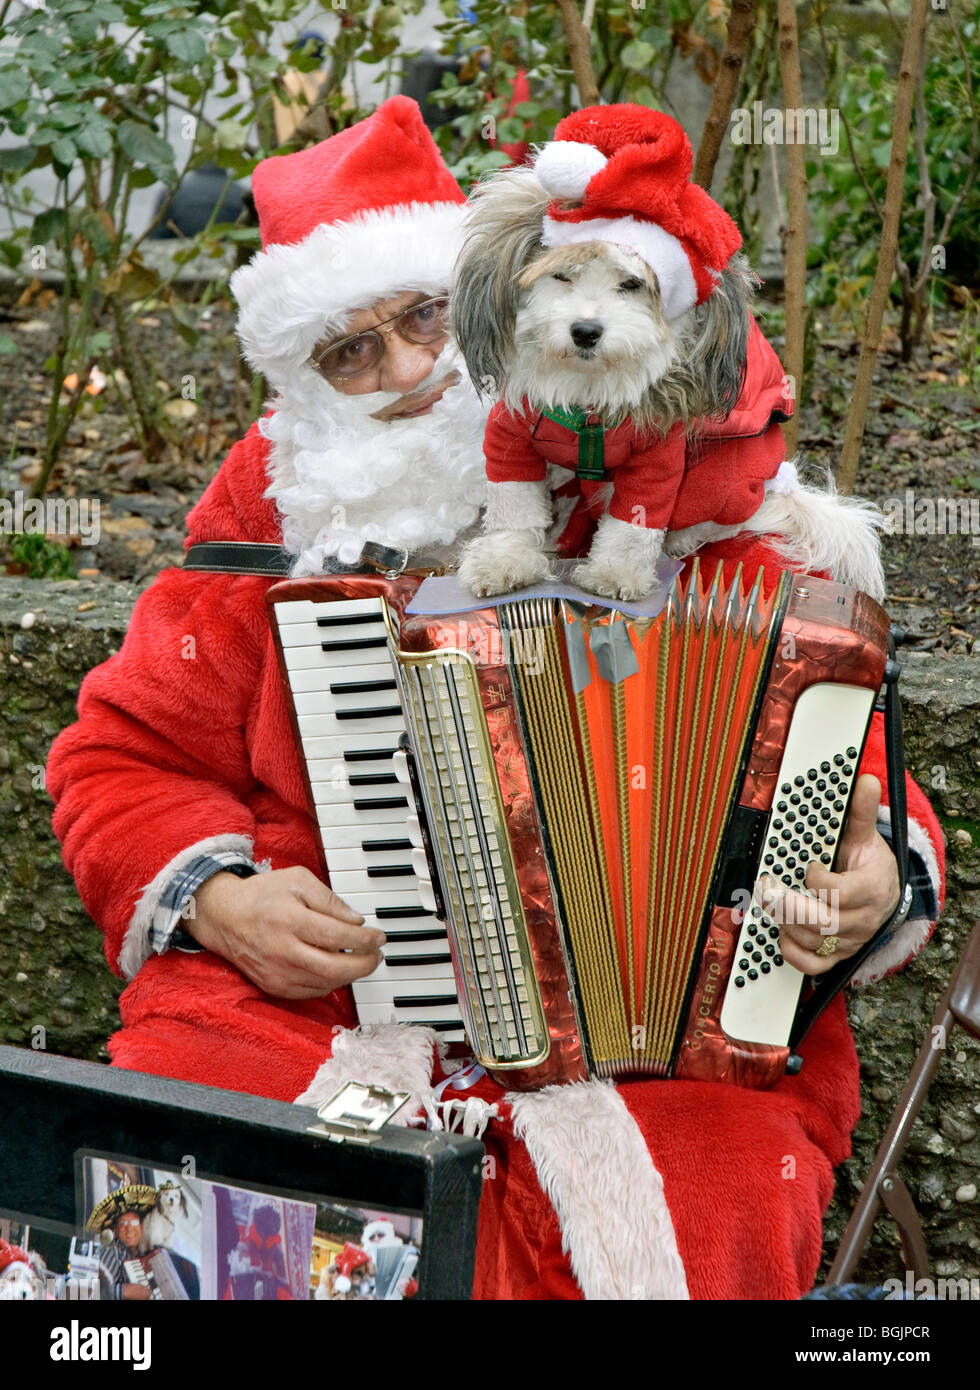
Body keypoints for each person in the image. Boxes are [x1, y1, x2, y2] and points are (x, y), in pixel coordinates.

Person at [47, 97, 944, 1300]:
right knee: (196, 1173)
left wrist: (876, 877)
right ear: (308, 378)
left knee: (704, 1197)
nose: (410, 373)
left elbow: (844, 746)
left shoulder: (663, 473)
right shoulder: (276, 503)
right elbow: (121, 754)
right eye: (349, 352)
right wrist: (218, 898)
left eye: (424, 317)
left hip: (654, 1036)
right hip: (318, 1003)